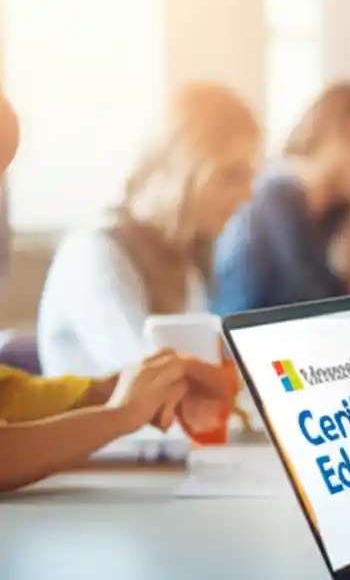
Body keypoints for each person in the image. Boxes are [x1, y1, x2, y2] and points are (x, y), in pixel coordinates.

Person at [0, 88, 236, 493]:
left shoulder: (183, 265)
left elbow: (7, 396)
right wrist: (119, 413)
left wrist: (110, 388)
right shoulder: (97, 253)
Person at [38, 84, 261, 377]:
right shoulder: (95, 253)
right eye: (231, 175)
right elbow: (154, 377)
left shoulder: (182, 259)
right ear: (179, 170)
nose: (247, 195)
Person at [210, 82, 350, 313]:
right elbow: (311, 297)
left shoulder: (331, 208)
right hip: (239, 334)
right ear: (326, 133)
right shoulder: (278, 191)